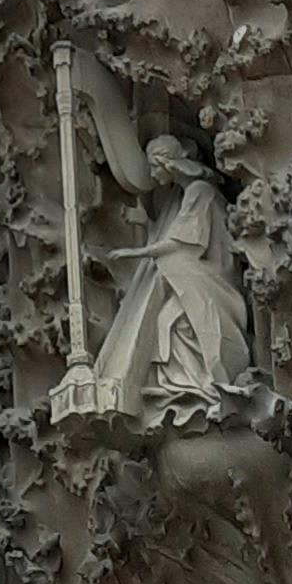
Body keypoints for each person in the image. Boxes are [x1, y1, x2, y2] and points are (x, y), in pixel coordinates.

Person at [89, 139, 254, 420]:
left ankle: (208, 387)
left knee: (181, 324)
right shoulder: (185, 194)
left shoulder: (199, 191)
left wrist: (133, 252)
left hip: (210, 277)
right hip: (193, 275)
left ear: (169, 164)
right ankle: (186, 389)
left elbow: (180, 244)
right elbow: (179, 236)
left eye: (155, 167)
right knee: (165, 322)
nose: (153, 175)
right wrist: (146, 223)